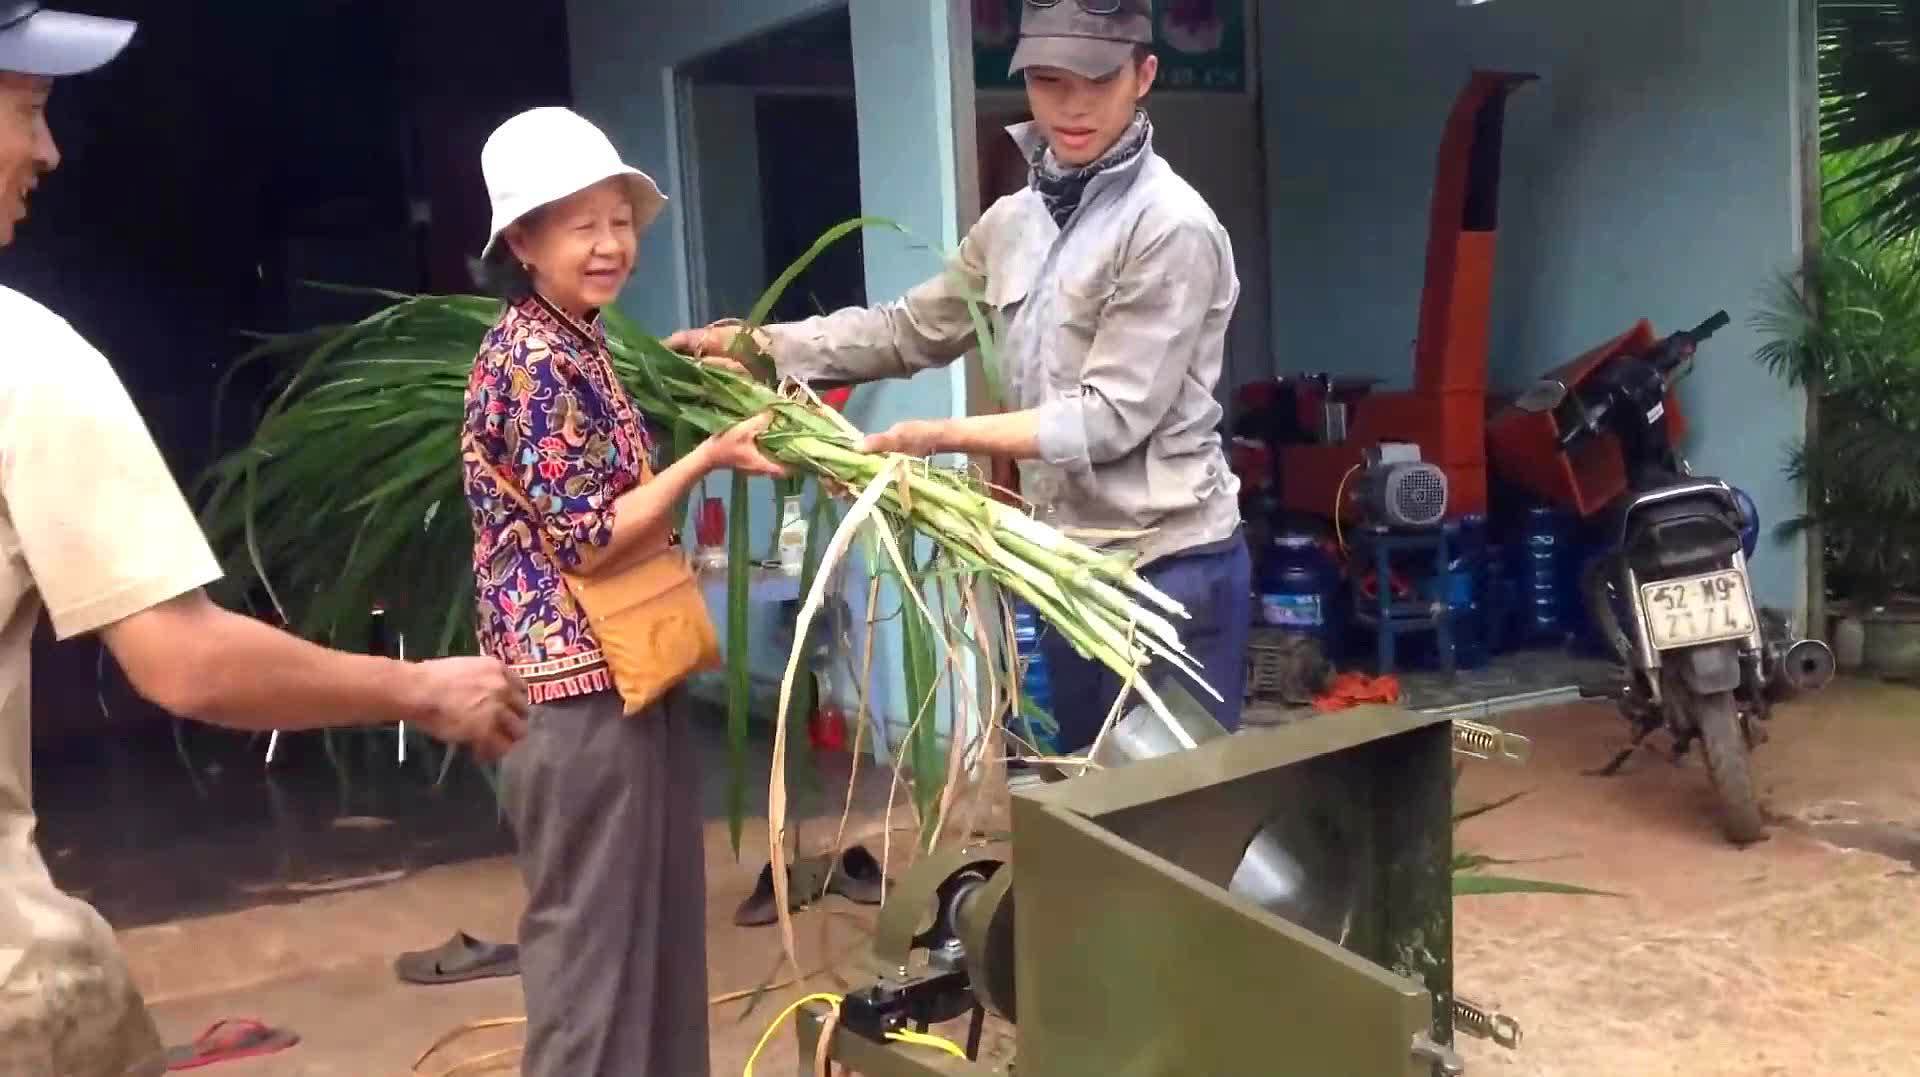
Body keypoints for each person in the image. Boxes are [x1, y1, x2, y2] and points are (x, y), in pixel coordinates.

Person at [0, 8, 529, 1075]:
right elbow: (185, 661)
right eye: (28, 110)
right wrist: (422, 689)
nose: (48, 151)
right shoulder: (28, 362)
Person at [668, 0, 1250, 752]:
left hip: (1169, 570)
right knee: (1090, 814)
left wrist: (935, 436)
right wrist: (760, 347)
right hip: (1067, 566)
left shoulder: (1170, 225)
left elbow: (1107, 420)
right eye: (1047, 79)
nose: (1070, 106)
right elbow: (903, 331)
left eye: (1096, 80)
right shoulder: (1012, 223)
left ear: (1143, 75)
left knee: (1179, 818)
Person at [463, 106, 784, 1077]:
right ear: (522, 243)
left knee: (657, 945)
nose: (610, 245)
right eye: (579, 224)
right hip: (569, 707)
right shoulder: (530, 361)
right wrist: (709, 460)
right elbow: (591, 537)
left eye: (620, 220)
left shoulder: (584, 341)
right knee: (591, 970)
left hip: (626, 681)